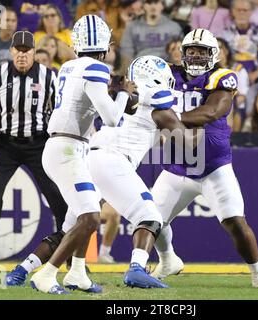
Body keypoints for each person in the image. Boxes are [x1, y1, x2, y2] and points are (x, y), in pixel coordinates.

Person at [150, 28, 258, 288]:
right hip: (175, 167)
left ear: (214, 54)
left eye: (202, 51)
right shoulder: (167, 75)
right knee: (150, 219)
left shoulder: (222, 77)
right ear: (182, 53)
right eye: (191, 51)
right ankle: (167, 260)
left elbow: (211, 111)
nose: (196, 56)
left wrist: (167, 116)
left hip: (212, 167)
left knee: (235, 222)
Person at [29, 14, 136, 295]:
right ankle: (47, 274)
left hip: (63, 146)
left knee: (82, 214)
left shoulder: (67, 66)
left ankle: (77, 274)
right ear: (105, 44)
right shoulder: (97, 69)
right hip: (67, 148)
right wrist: (123, 93)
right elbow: (111, 118)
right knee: (89, 217)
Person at [88, 54, 198, 289]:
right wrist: (197, 125)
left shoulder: (121, 92)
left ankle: (32, 269)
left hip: (90, 154)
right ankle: (137, 268)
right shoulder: (158, 104)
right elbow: (189, 144)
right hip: (114, 161)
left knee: (78, 221)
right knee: (151, 216)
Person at [0, 31, 67, 273]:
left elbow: (61, 112)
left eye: (27, 50)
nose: (23, 54)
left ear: (34, 52)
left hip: (40, 144)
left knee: (60, 199)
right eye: (19, 50)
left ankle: (69, 259)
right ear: (11, 51)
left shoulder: (49, 77)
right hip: (5, 145)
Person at [119, 0, 182, 74]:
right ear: (144, 5)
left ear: (162, 5)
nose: (153, 7)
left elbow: (180, 54)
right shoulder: (132, 27)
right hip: (140, 70)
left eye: (156, 3)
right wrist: (131, 73)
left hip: (167, 70)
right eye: (149, 3)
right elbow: (126, 54)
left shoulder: (174, 27)